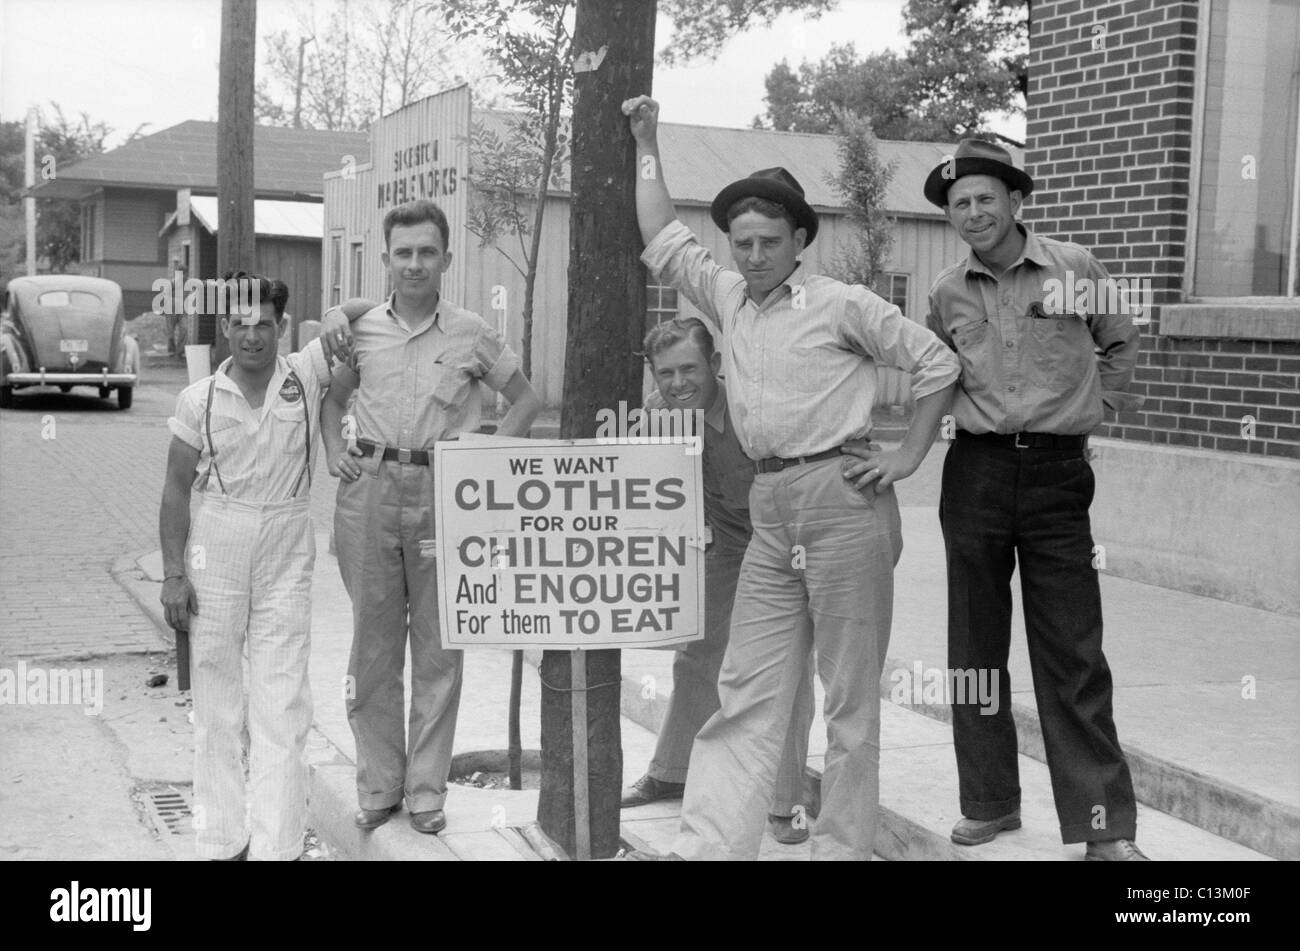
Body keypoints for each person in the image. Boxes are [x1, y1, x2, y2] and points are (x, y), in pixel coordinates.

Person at [621, 96, 960, 861]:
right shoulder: (728, 298)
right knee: (745, 686)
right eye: (740, 241)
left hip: (841, 500)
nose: (752, 254)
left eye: (768, 240)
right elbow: (660, 231)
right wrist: (647, 140)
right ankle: (708, 845)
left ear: (800, 239)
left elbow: (938, 363)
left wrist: (905, 457)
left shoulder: (843, 303)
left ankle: (838, 848)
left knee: (849, 702)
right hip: (769, 504)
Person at [851, 138, 1145, 860]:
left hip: (1056, 476)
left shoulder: (1073, 269)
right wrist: (910, 452)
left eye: (986, 198)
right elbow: (935, 376)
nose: (974, 212)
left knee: (1072, 650)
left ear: (1016, 202)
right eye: (960, 205)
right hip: (975, 474)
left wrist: (1092, 407)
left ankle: (1103, 827)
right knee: (975, 647)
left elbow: (1123, 339)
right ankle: (989, 801)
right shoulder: (948, 291)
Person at [318, 199, 541, 836]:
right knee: (373, 648)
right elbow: (333, 404)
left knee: (440, 650)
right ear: (386, 260)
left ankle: (424, 791)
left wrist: (483, 460)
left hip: (447, 498)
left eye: (426, 252)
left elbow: (524, 400)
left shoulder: (471, 331)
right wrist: (336, 450)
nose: (414, 263)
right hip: (370, 493)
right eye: (402, 253)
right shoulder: (359, 332)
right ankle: (378, 784)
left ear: (446, 257)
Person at [621, 316, 816, 845]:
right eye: (665, 373)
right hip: (723, 543)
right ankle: (671, 770)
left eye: (689, 368)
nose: (678, 382)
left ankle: (785, 801)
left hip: (783, 543)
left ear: (714, 364)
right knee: (696, 651)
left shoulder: (752, 408)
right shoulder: (659, 413)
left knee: (786, 671)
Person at [159, 273, 334, 861]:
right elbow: (176, 490)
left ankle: (277, 846)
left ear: (282, 327)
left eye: (265, 324)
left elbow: (361, 313)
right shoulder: (199, 398)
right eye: (241, 324)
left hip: (287, 540)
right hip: (218, 542)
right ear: (224, 326)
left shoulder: (308, 377)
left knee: (282, 703)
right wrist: (174, 574)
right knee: (215, 702)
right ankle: (221, 839)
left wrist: (336, 317)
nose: (253, 336)